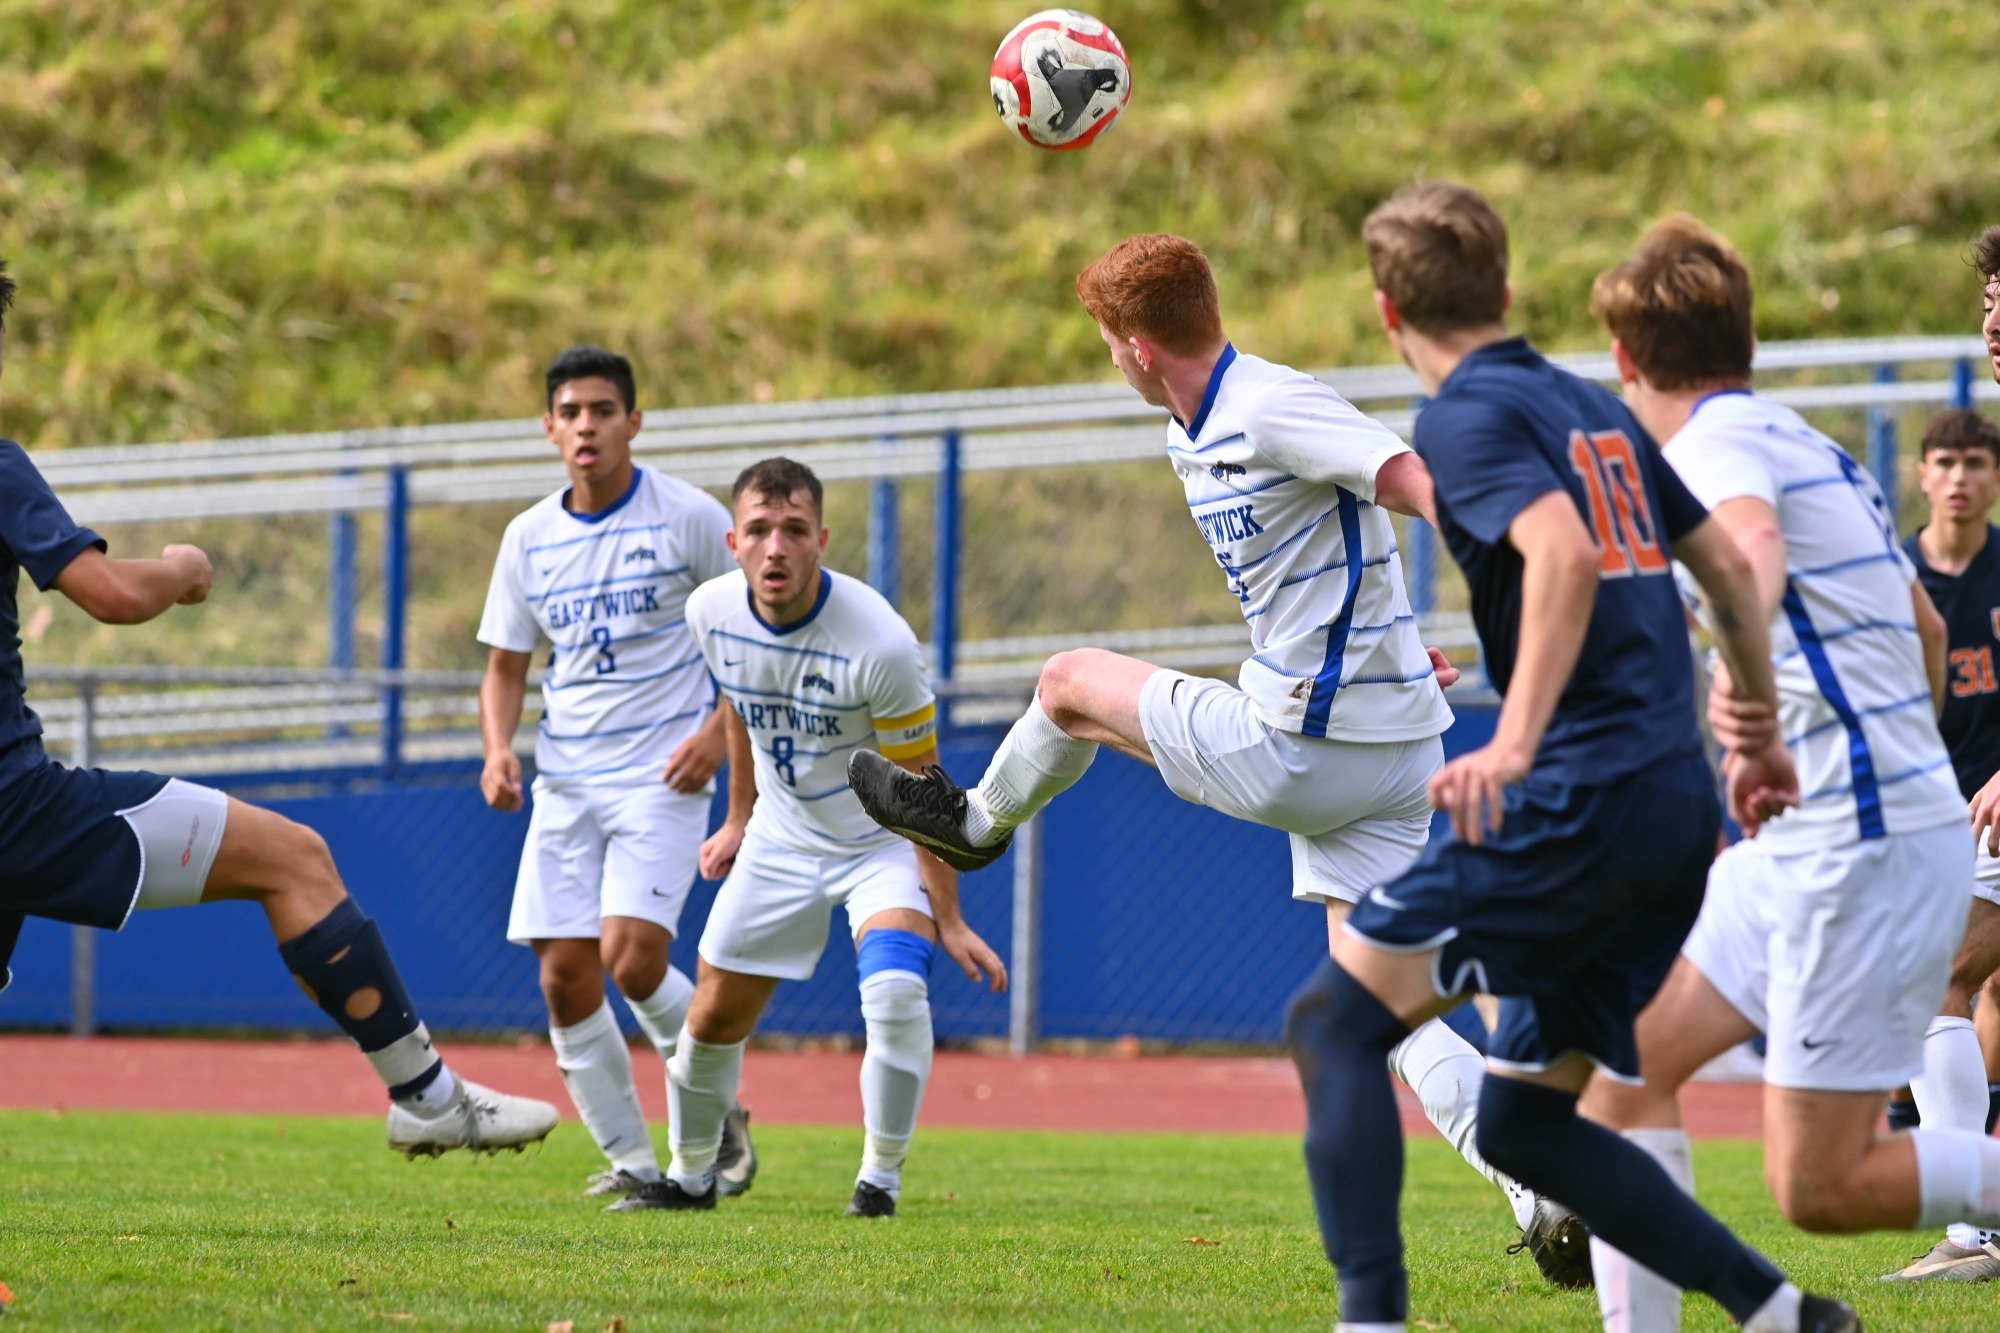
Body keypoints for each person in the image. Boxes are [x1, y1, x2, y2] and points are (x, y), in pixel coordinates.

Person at [845, 232, 1590, 1283]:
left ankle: (967, 826)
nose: (1109, 357)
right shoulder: (1190, 430)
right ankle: (1540, 1189)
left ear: (1138, 347)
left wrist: (1527, 567)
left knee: (1065, 683)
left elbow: (1413, 481)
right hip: (1384, 750)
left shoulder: (1269, 404)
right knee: (1379, 999)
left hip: (1306, 749)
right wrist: (1390, 646)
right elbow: (1337, 561)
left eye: (1108, 340)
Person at [1283, 184, 1861, 1333]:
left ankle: (1368, 1318)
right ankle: (1781, 1311)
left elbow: (1559, 557)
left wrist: (1512, 734)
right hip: (1666, 809)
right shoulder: (1593, 405)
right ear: (1504, 290)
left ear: (1385, 307)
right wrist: (1755, 733)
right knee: (1522, 1126)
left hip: (1572, 802)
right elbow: (1727, 576)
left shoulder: (1455, 418)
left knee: (1333, 1024)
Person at [0, 262, 558, 1157]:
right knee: (294, 858)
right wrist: (182, 569)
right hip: (14, 808)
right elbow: (107, 592)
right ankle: (427, 1095)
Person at [1579, 215, 1997, 1326]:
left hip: (1856, 848)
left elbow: (1746, 560)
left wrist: (1756, 715)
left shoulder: (1709, 449)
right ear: (1744, 341)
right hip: (1829, 833)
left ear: (1625, 363)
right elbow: (1916, 631)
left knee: (1817, 1185)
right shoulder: (1813, 444)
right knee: (1620, 1083)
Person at [617, 457, 1007, 1216]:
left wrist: (949, 918)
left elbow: (922, 789)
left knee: (895, 992)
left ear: (821, 538)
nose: (775, 548)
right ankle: (692, 1178)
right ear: (732, 540)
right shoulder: (711, 612)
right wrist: (737, 816)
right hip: (780, 839)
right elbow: (739, 704)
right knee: (708, 1022)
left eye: (793, 530)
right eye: (758, 530)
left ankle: (879, 1184)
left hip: (878, 842)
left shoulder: (881, 644)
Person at [477, 345, 753, 1203]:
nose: (586, 425)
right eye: (571, 412)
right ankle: (633, 1160)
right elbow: (506, 666)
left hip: (662, 776)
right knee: (564, 974)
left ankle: (715, 1106)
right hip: (566, 779)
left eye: (603, 409)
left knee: (631, 958)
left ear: (635, 420)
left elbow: (754, 635)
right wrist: (498, 746)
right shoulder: (529, 537)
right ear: (550, 428)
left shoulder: (688, 518)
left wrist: (716, 733)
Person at [1875, 404, 2000, 1279]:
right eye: (1945, 461)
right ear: (1922, 474)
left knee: (1941, 981)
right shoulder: (1896, 575)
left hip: (1991, 812)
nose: (1959, 476)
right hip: (1932, 817)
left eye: (1976, 463)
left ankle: (1975, 1227)